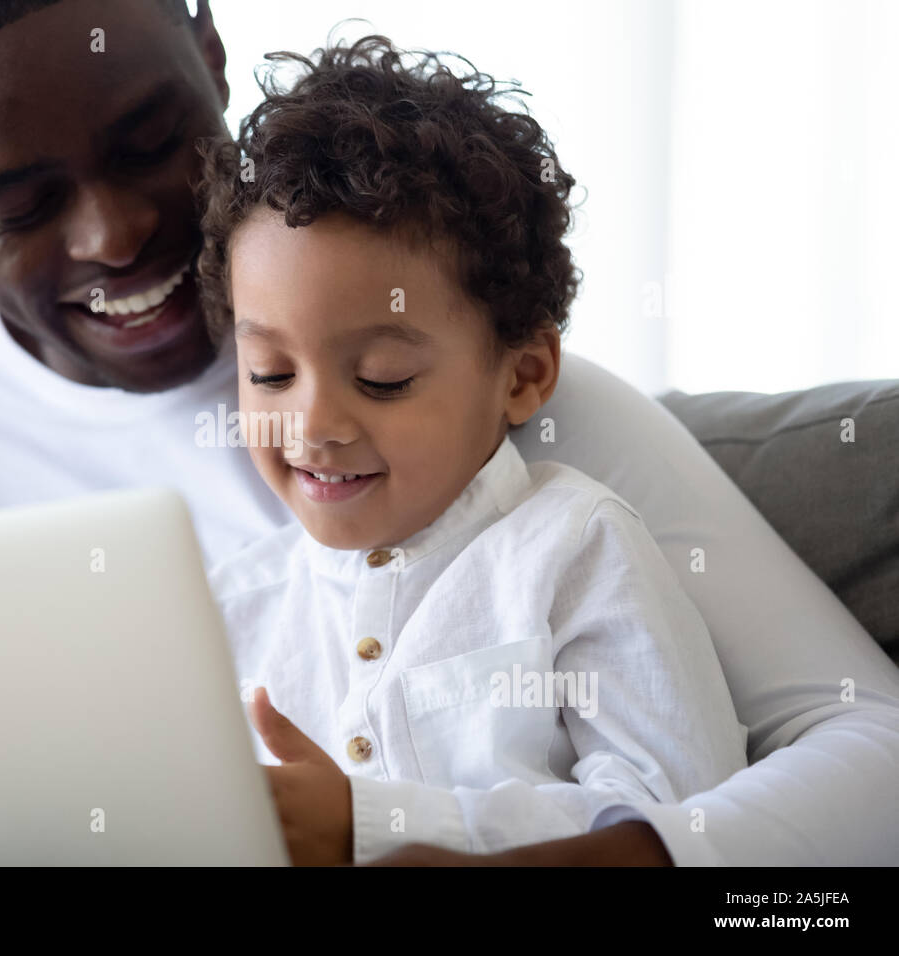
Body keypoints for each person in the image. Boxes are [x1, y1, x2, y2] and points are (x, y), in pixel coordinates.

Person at [0, 0, 899, 866]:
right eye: (19, 198)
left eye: (149, 143)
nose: (114, 234)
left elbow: (873, 753)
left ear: (213, 64)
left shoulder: (463, 373)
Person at [199, 36, 748, 865]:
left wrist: (375, 822)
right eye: (270, 373)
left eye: (382, 378)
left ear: (522, 375)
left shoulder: (572, 548)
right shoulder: (229, 608)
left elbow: (678, 820)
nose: (312, 427)